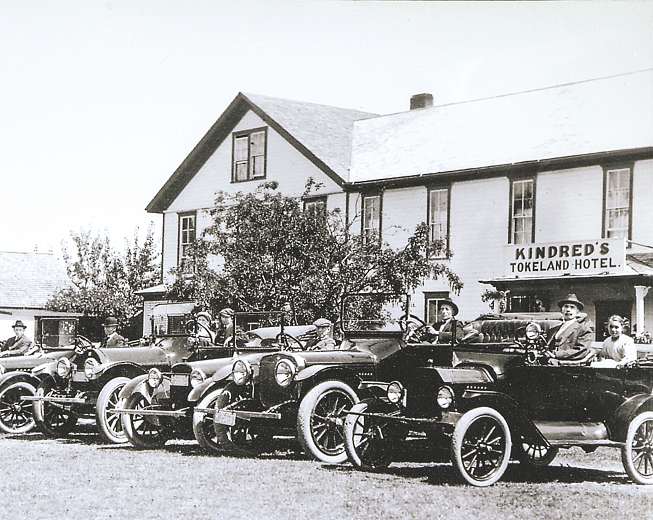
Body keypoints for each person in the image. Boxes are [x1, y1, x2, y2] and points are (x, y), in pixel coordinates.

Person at [545, 294, 593, 360]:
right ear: (561, 310)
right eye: (566, 306)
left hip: (567, 365)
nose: (568, 310)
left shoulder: (583, 329)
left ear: (577, 311)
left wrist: (556, 354)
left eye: (572, 307)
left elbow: (581, 350)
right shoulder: (553, 330)